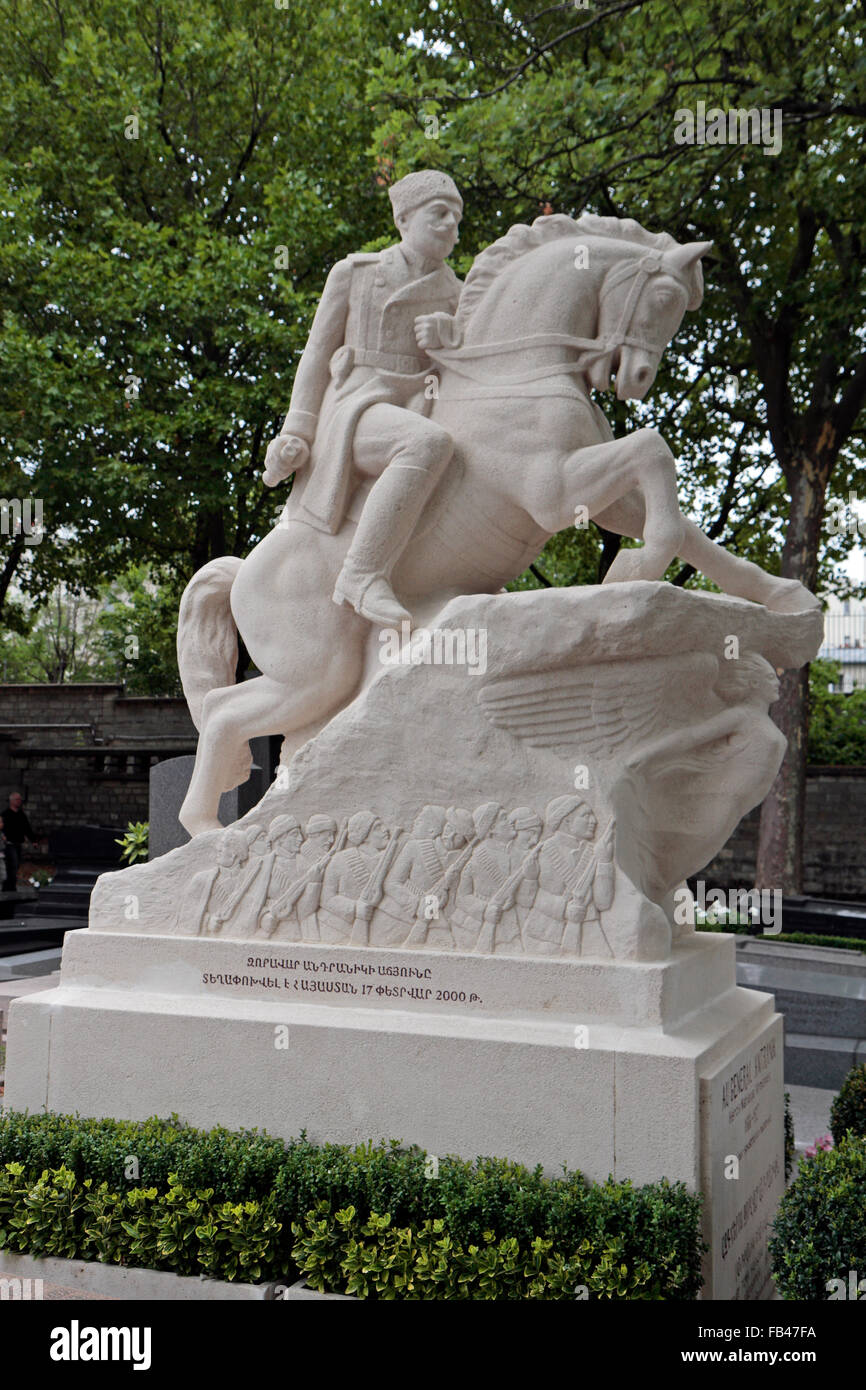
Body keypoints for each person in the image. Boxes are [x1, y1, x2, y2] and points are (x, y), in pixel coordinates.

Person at [262, 169, 465, 627]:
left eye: (457, 217)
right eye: (439, 213)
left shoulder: (459, 294)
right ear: (404, 219)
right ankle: (361, 575)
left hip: (426, 400)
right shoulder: (355, 274)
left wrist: (452, 337)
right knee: (426, 445)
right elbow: (316, 354)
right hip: (359, 403)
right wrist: (296, 429)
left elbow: (475, 367)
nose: (451, 224)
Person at [2, 792, 36, 892]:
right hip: (9, 844)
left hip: (18, 844)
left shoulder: (21, 814)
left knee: (15, 866)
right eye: (17, 799)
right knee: (12, 864)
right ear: (12, 801)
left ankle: (10, 886)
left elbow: (27, 828)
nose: (19, 802)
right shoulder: (5, 814)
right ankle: (9, 887)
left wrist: (33, 840)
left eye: (20, 800)